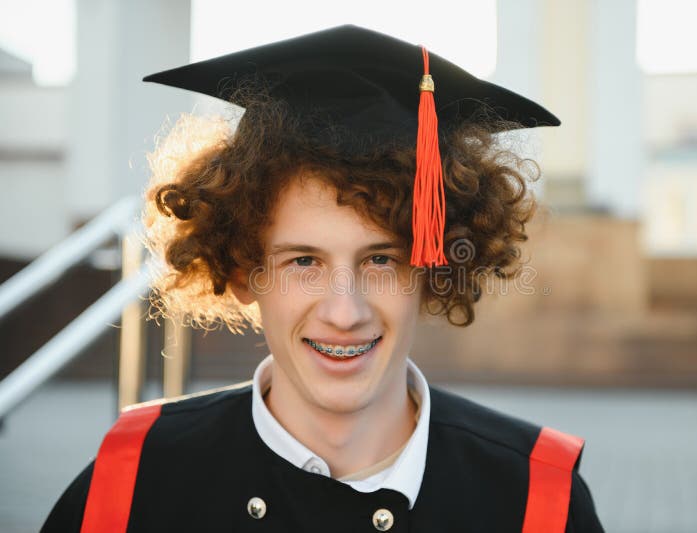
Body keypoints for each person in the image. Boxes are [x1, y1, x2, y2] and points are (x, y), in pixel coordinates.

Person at [42, 25, 604, 532]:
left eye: (381, 260)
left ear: (433, 271)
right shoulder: (134, 485)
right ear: (243, 270)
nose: (344, 310)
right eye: (303, 262)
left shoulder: (535, 501)